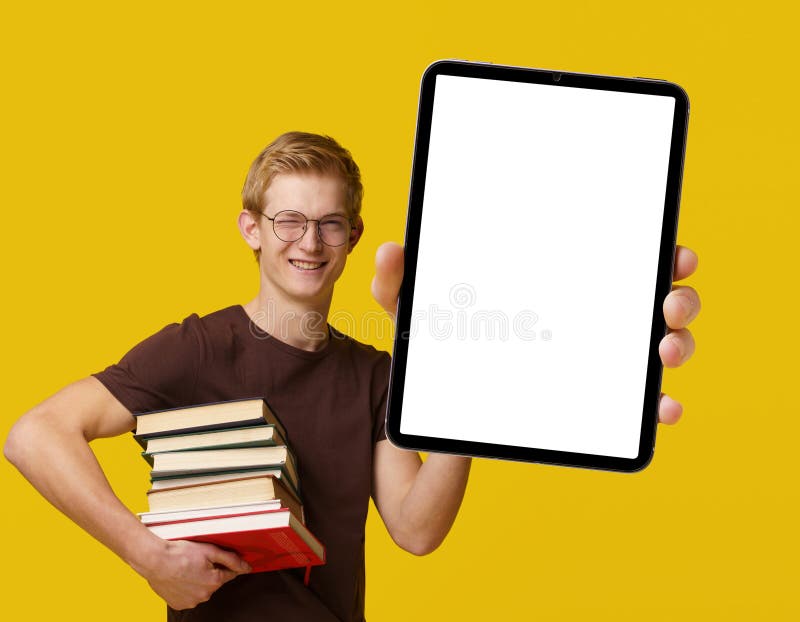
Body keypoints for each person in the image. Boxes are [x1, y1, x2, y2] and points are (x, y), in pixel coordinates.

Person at [3, 131, 701, 621]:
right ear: (251, 229)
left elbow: (416, 529)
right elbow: (35, 434)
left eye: (330, 224)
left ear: (354, 236)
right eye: (288, 221)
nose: (309, 243)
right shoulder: (197, 349)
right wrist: (145, 554)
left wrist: (462, 384)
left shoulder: (376, 376)